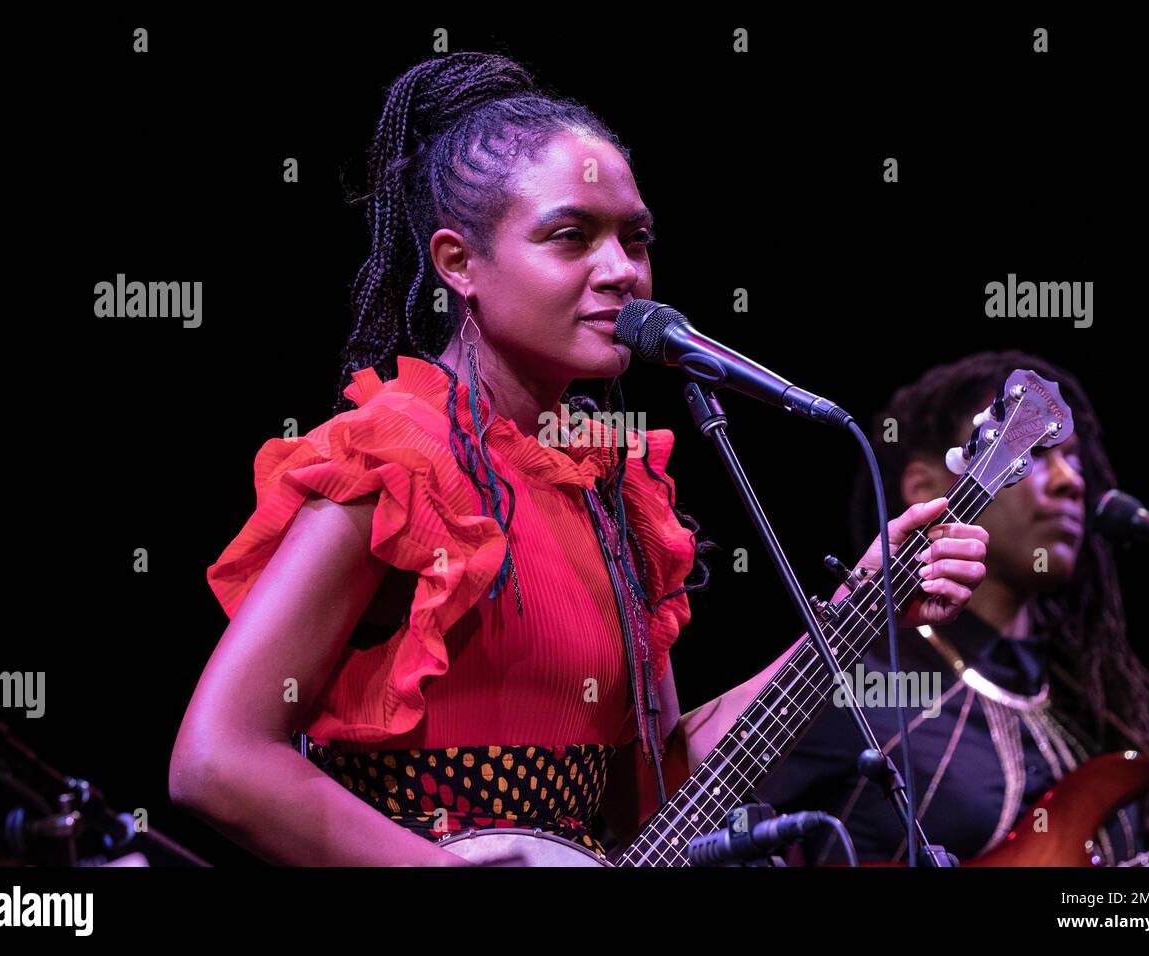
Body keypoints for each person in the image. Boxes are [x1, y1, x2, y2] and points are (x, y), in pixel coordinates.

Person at [166, 52, 990, 866]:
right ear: (460, 264)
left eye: (636, 239)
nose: (622, 272)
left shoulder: (614, 489)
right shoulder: (394, 458)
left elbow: (663, 795)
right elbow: (218, 760)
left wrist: (848, 620)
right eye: (572, 237)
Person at [756, 350, 1149, 865]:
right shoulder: (850, 684)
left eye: (1073, 456)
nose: (1069, 480)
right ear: (924, 489)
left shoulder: (1091, 707)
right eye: (1035, 454)